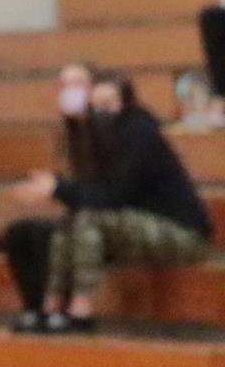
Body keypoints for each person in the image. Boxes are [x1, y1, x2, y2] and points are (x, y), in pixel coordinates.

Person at [21, 69, 212, 334]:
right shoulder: (98, 138)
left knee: (88, 219)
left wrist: (58, 188)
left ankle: (81, 309)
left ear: (125, 103)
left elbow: (115, 196)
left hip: (182, 232)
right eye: (97, 105)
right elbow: (95, 193)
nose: (103, 112)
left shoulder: (140, 134)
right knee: (69, 222)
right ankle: (51, 306)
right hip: (137, 226)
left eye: (109, 104)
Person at [0, 63, 91, 331]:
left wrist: (57, 189)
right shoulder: (67, 135)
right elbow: (65, 184)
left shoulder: (108, 134)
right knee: (19, 232)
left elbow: (104, 189)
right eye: (64, 86)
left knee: (48, 235)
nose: (70, 92)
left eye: (77, 84)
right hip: (77, 209)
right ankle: (34, 308)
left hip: (101, 216)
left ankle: (61, 308)